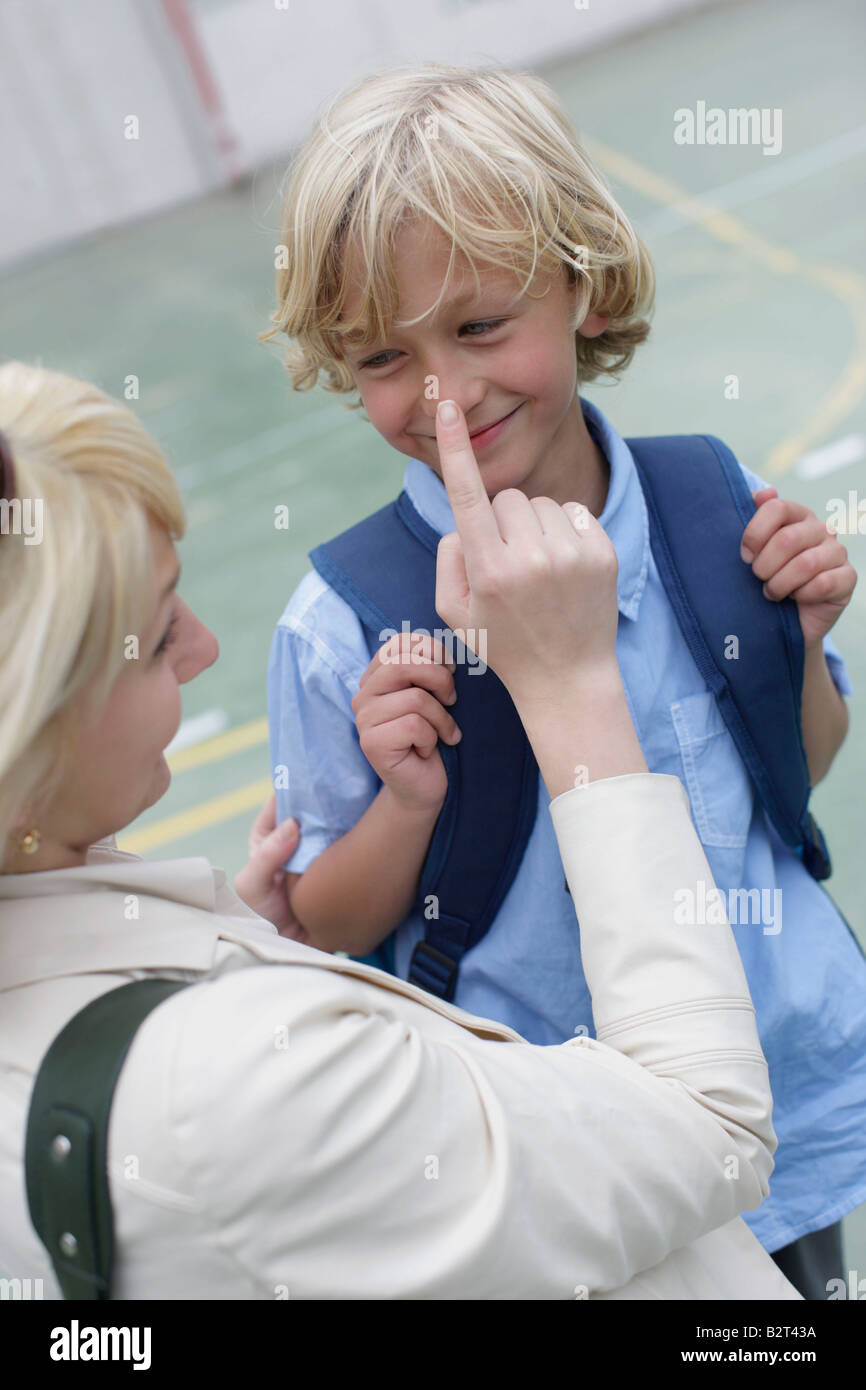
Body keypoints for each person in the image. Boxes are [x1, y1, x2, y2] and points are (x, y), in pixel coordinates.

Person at [0, 359, 800, 1300]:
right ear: (29, 714)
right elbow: (709, 1134)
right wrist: (572, 683)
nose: (203, 646)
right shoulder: (234, 1085)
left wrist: (229, 947)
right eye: (153, 627)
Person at [263, 63, 864, 1298]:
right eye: (383, 355)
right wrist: (407, 803)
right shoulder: (341, 627)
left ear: (581, 280)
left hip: (784, 1107)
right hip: (572, 1176)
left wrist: (798, 643)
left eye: (480, 326)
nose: (445, 394)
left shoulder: (709, 503)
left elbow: (785, 775)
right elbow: (321, 926)